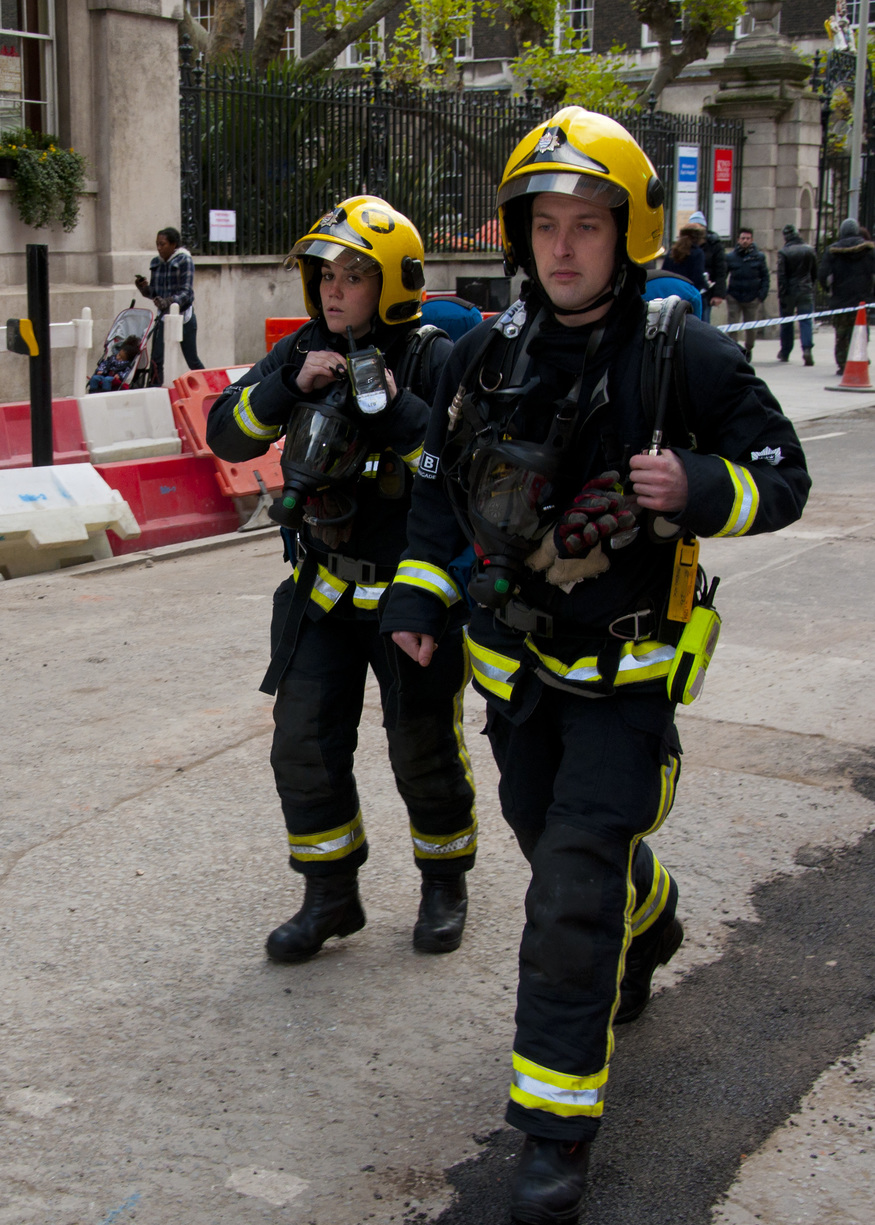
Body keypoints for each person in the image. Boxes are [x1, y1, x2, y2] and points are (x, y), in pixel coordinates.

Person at [381, 107, 810, 1224]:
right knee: (563, 856)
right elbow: (435, 489)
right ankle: (650, 907)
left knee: (567, 891)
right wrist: (420, 595)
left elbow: (783, 472)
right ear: (519, 235)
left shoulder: (685, 354)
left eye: (587, 225)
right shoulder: (485, 351)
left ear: (630, 233)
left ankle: (552, 1133)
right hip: (516, 684)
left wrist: (704, 489)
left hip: (622, 690)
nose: (563, 247)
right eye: (545, 226)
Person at [206, 196, 476, 965]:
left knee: (420, 747)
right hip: (321, 592)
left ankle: (444, 882)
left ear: (391, 281)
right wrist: (289, 383)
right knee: (302, 744)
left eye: (353, 275)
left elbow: (459, 463)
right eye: (324, 273)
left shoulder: (434, 353)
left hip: (410, 591)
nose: (333, 289)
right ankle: (330, 894)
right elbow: (226, 432)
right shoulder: (302, 350)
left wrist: (389, 408)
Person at [135, 226, 205, 385]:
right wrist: (144, 288)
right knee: (156, 359)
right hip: (163, 316)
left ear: (174, 245)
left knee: (192, 359)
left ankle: (208, 388)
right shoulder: (155, 263)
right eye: (157, 244)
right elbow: (155, 293)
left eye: (163, 244)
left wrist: (169, 301)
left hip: (183, 316)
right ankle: (154, 389)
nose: (159, 248)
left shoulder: (184, 260)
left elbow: (187, 291)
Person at [817, 217, 875, 376]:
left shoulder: (832, 251)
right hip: (862, 299)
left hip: (840, 299)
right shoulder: (869, 250)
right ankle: (860, 357)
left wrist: (829, 290)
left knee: (841, 333)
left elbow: (822, 274)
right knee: (861, 330)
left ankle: (842, 363)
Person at [725, 226, 769, 361]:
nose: (745, 241)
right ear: (738, 240)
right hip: (734, 295)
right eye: (743, 238)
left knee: (751, 327)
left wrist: (761, 295)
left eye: (748, 238)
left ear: (752, 240)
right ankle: (734, 350)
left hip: (752, 297)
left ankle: (749, 348)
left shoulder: (759, 257)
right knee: (733, 325)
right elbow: (723, 275)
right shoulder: (731, 257)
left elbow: (765, 277)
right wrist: (725, 293)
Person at [777, 224, 817, 366]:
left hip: (789, 291)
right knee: (806, 321)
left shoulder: (784, 252)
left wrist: (781, 293)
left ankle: (785, 351)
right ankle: (807, 348)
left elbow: (781, 276)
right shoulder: (809, 250)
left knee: (787, 322)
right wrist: (810, 286)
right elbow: (814, 273)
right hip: (805, 289)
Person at [687, 210, 726, 324]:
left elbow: (721, 270)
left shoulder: (714, 245)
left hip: (705, 292)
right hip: (687, 289)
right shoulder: (683, 246)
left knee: (703, 322)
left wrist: (718, 294)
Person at [660, 224, 707, 293]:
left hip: (672, 290)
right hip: (688, 291)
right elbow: (697, 277)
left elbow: (664, 272)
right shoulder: (697, 253)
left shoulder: (672, 251)